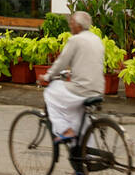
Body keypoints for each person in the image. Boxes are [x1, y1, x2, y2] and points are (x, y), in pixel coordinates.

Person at [38, 11, 104, 166]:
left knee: (51, 92)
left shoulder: (75, 40)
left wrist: (47, 77)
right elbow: (89, 63)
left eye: (72, 22)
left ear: (78, 26)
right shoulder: (96, 40)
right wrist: (72, 72)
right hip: (97, 89)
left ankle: (64, 130)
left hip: (80, 89)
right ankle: (84, 161)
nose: (70, 25)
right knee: (80, 118)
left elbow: (61, 62)